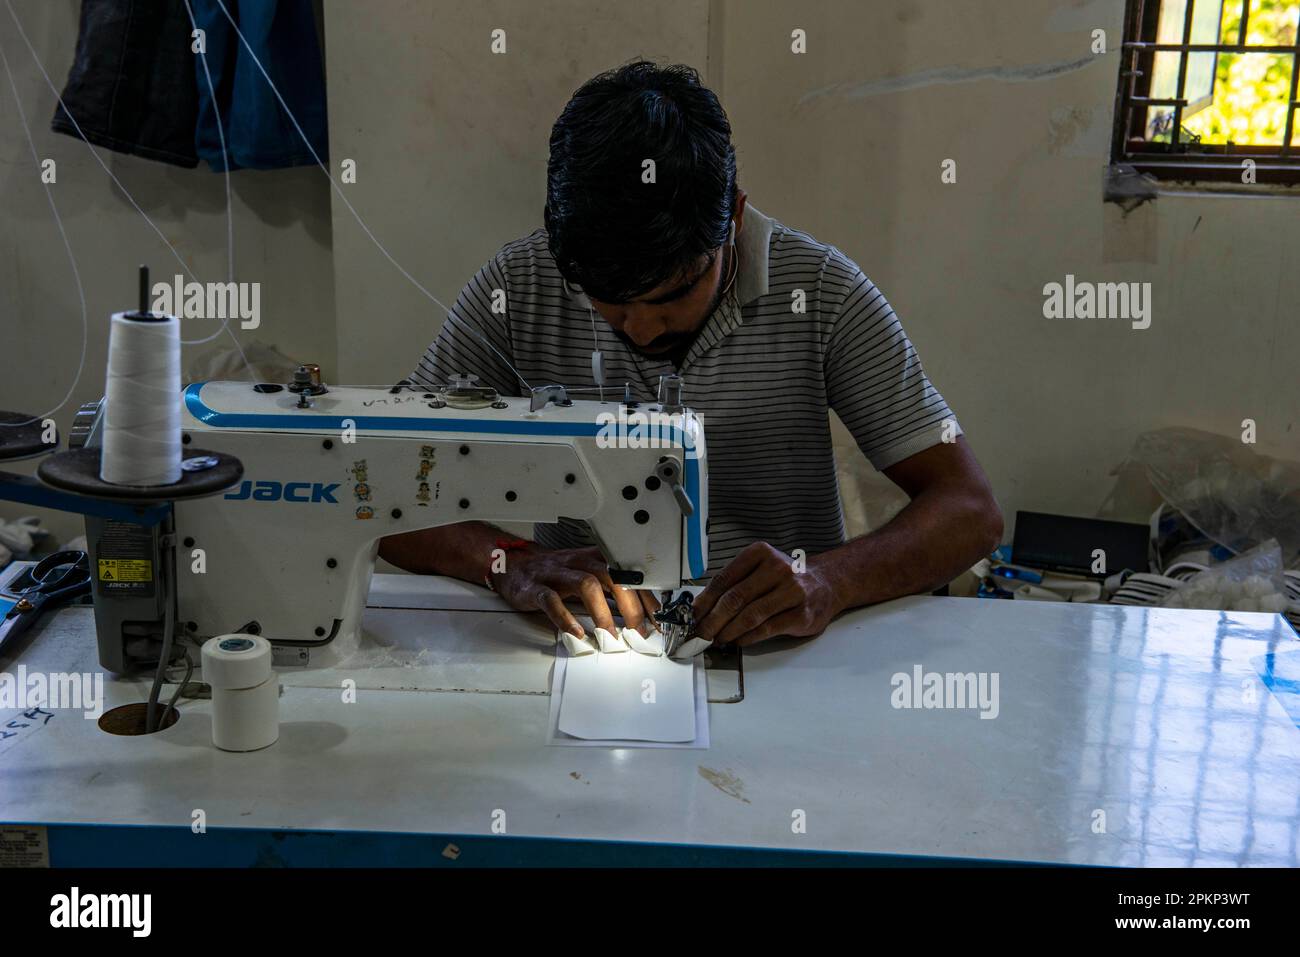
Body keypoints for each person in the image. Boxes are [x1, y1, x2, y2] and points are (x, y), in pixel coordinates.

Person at [380, 61, 1002, 649]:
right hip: (590, 637)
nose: (644, 331)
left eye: (675, 294)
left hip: (782, 653)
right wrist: (507, 562)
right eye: (610, 303)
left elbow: (968, 511)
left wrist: (828, 581)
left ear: (730, 217)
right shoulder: (520, 289)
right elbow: (381, 490)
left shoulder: (821, 293)